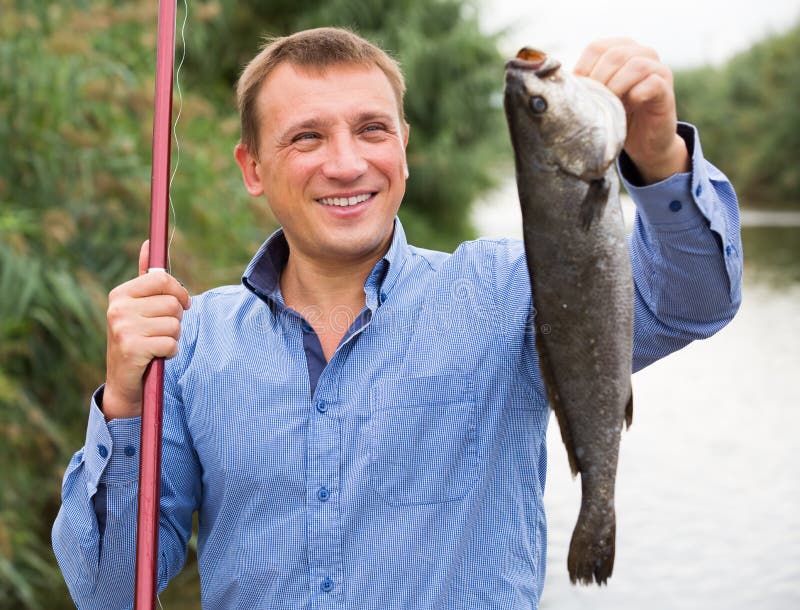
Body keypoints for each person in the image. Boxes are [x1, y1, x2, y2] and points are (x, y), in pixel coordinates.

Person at [53, 27, 742, 609]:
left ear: (404, 148)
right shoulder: (188, 342)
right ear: (252, 167)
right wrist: (121, 398)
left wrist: (657, 158)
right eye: (307, 138)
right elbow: (110, 592)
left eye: (372, 129)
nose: (347, 163)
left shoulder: (510, 291)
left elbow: (692, 301)